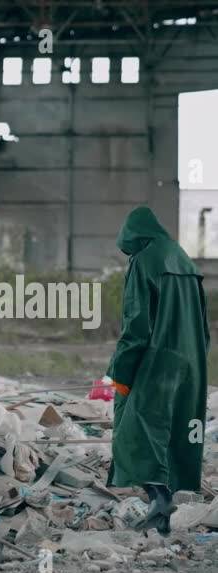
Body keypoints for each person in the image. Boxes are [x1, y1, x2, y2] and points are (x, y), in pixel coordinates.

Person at [106, 206, 210, 535]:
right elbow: (203, 324)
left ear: (134, 239)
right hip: (192, 362)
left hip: (157, 362)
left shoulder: (145, 261)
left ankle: (160, 502)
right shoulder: (184, 260)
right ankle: (162, 512)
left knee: (132, 433)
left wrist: (118, 375)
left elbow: (136, 327)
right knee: (176, 432)